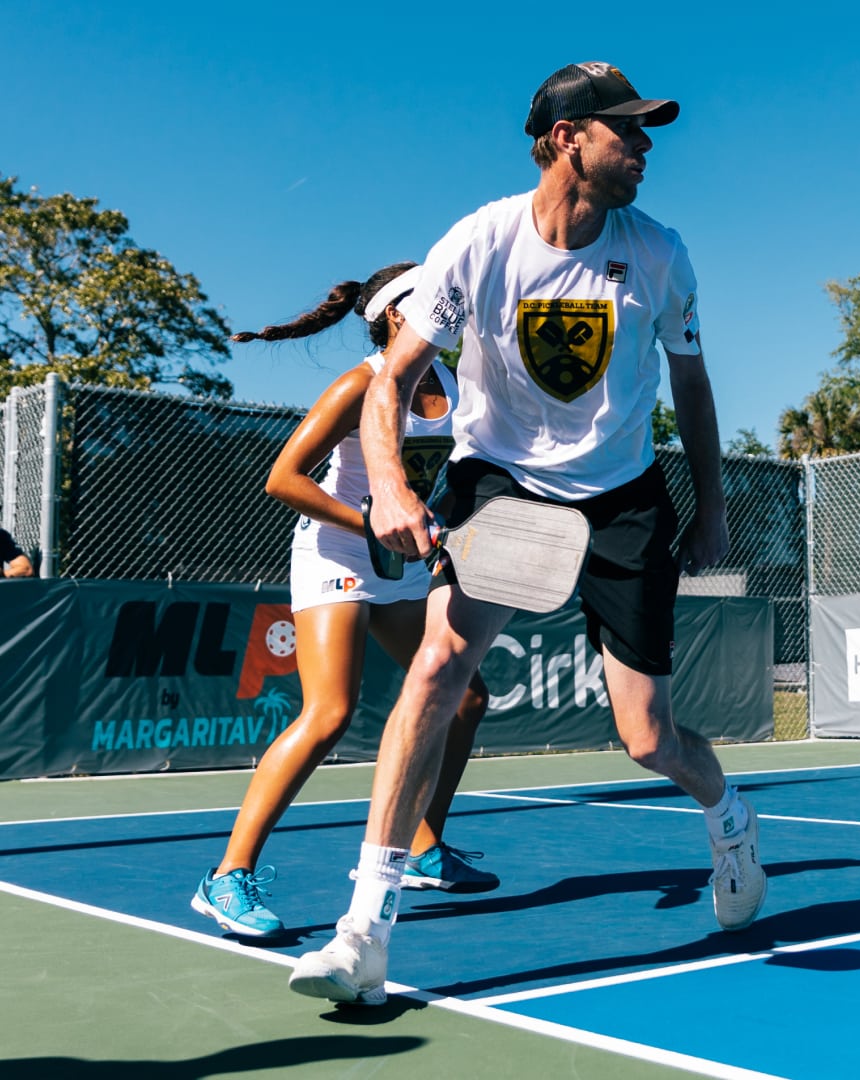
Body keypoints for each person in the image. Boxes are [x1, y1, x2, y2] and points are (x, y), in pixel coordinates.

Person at [288, 62, 766, 1005]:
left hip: (621, 497)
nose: (645, 144)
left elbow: (693, 385)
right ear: (565, 139)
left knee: (647, 738)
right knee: (435, 671)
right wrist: (388, 485)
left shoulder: (660, 252)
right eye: (625, 129)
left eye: (645, 129)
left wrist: (711, 506)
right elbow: (390, 378)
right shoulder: (480, 240)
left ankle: (731, 818)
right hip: (501, 483)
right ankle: (364, 933)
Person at [191, 263, 498, 953]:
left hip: (398, 556)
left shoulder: (452, 386)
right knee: (329, 714)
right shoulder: (361, 384)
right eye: (437, 300)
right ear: (396, 315)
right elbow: (282, 479)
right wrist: (374, 523)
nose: (453, 309)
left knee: (466, 698)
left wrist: (436, 522)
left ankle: (422, 844)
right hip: (336, 552)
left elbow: (441, 481)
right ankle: (226, 876)